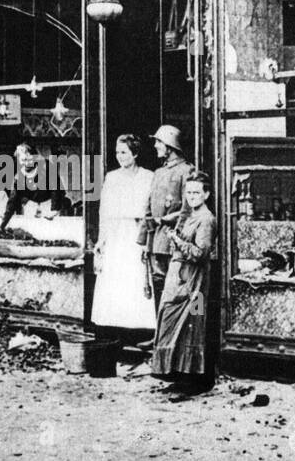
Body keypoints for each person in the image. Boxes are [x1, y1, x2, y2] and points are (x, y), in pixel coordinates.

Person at [151, 171, 216, 391]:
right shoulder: (190, 215)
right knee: (170, 317)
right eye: (188, 192)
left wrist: (176, 240)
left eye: (197, 192)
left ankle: (194, 379)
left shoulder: (206, 220)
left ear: (206, 194)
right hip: (179, 276)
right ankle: (178, 374)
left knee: (194, 322)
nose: (192, 196)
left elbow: (200, 254)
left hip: (195, 282)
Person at [137, 125, 195, 347]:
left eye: (159, 142)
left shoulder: (187, 172)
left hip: (174, 241)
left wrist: (170, 226)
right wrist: (144, 240)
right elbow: (148, 207)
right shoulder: (159, 173)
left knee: (177, 290)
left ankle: (177, 338)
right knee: (159, 287)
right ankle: (160, 335)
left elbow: (189, 208)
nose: (155, 146)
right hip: (156, 242)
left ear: (170, 145)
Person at [90, 134, 156, 331]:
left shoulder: (148, 177)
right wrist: (102, 239)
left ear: (135, 153)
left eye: (124, 152)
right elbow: (104, 210)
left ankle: (139, 329)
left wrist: (147, 237)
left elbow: (152, 208)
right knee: (115, 278)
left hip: (138, 233)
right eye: (117, 152)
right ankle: (115, 328)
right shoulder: (112, 177)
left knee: (136, 277)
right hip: (116, 233)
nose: (119, 156)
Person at [0, 143, 72, 230]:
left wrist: (54, 210)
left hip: (52, 204)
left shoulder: (46, 166)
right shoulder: (19, 178)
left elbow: (55, 188)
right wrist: (2, 226)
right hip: (33, 206)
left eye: (28, 158)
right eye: (22, 160)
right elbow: (12, 202)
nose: (26, 162)